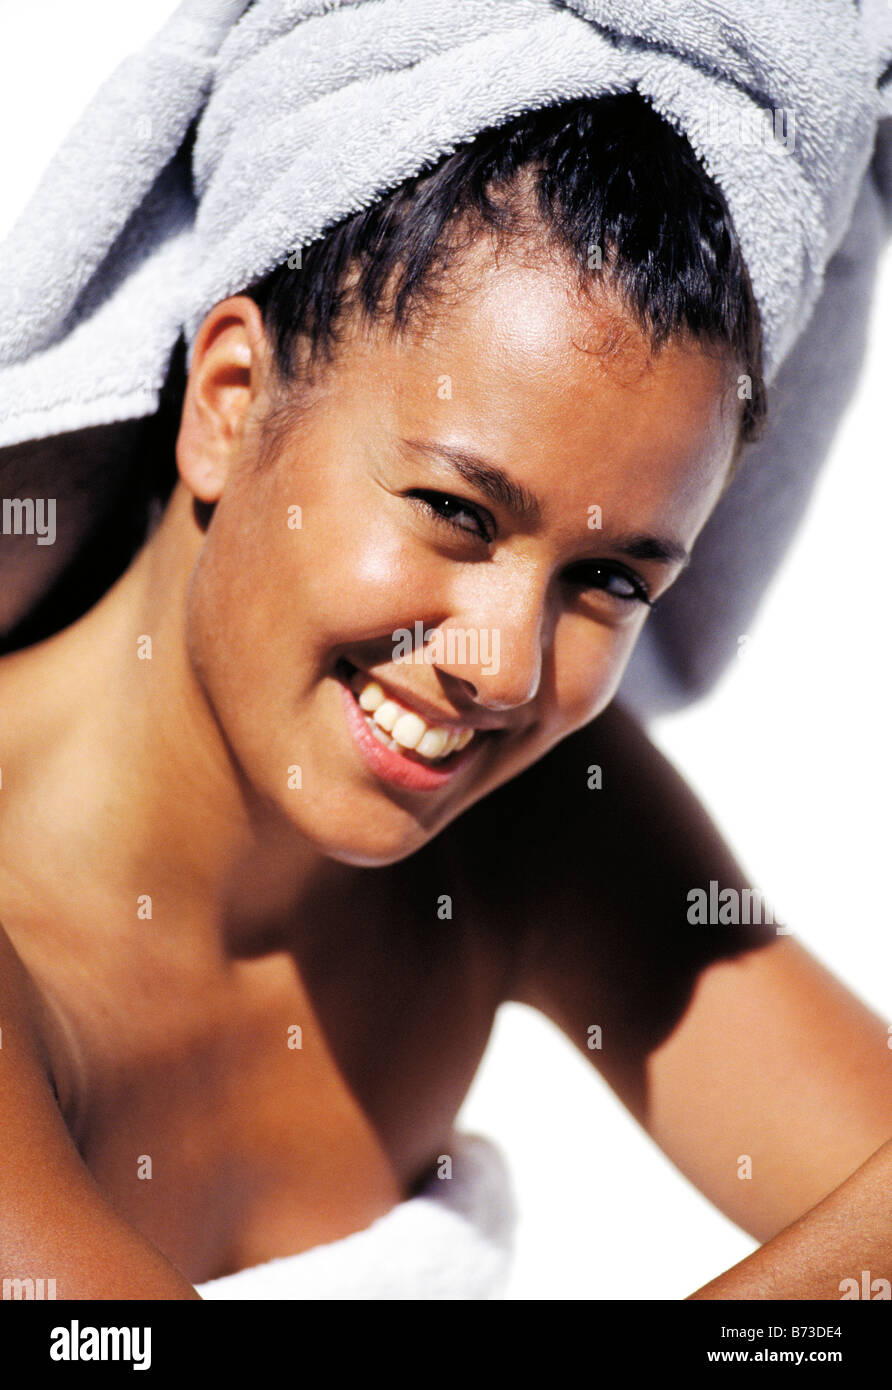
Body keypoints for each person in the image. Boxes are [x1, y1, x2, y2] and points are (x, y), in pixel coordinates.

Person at [0, 94, 889, 1301]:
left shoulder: (524, 832)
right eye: (458, 513)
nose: (506, 667)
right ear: (229, 402)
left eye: (611, 577)